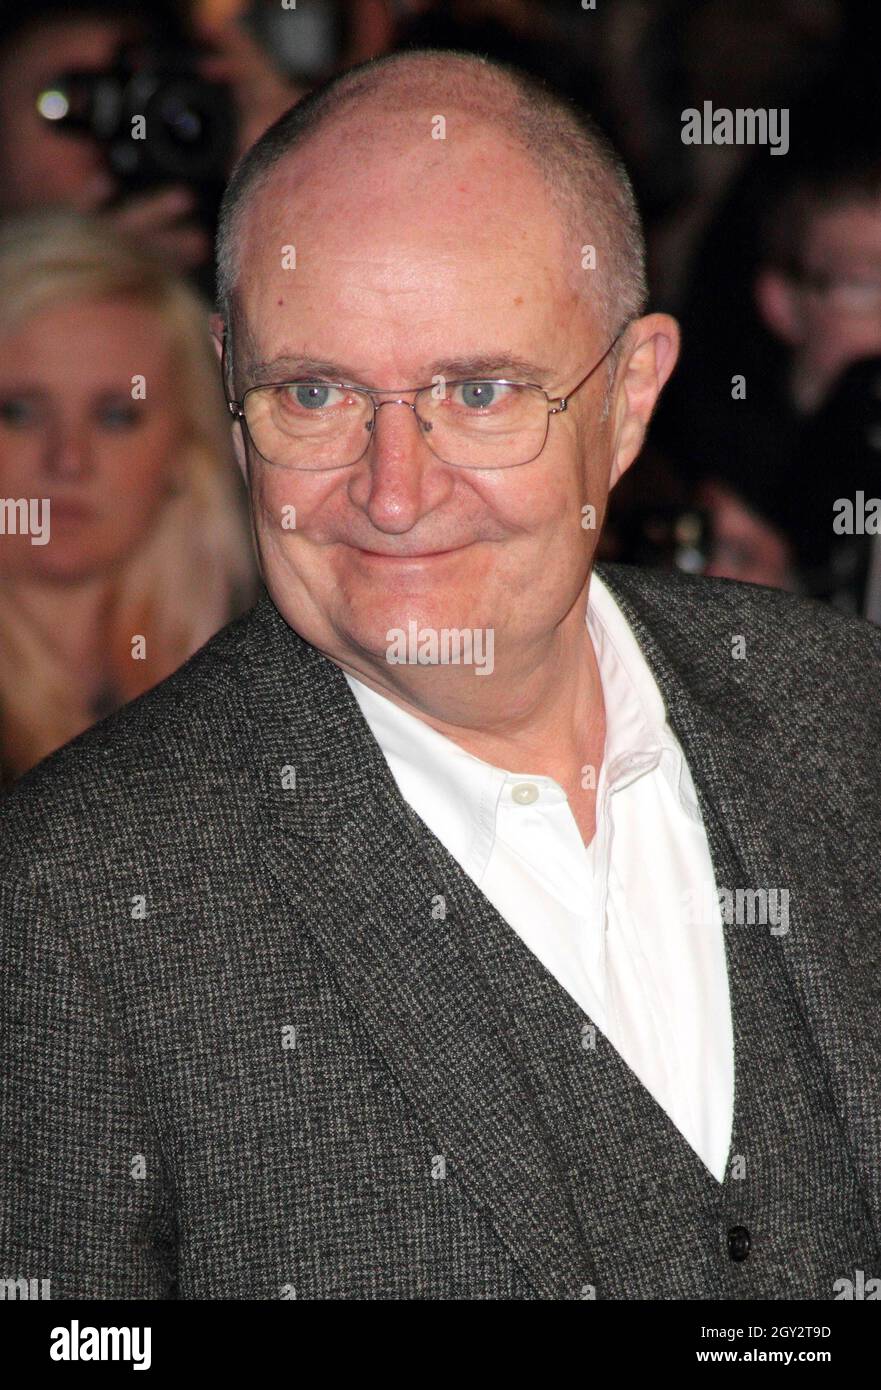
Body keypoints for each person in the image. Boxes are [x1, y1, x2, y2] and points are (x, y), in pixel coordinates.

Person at [2, 50, 880, 1301]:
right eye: (312, 392)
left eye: (478, 393)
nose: (393, 493)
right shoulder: (72, 902)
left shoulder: (849, 714)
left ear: (630, 399)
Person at [0, 210, 257, 785]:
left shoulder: (254, 699)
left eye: (116, 416)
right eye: (17, 412)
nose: (68, 460)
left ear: (182, 450)